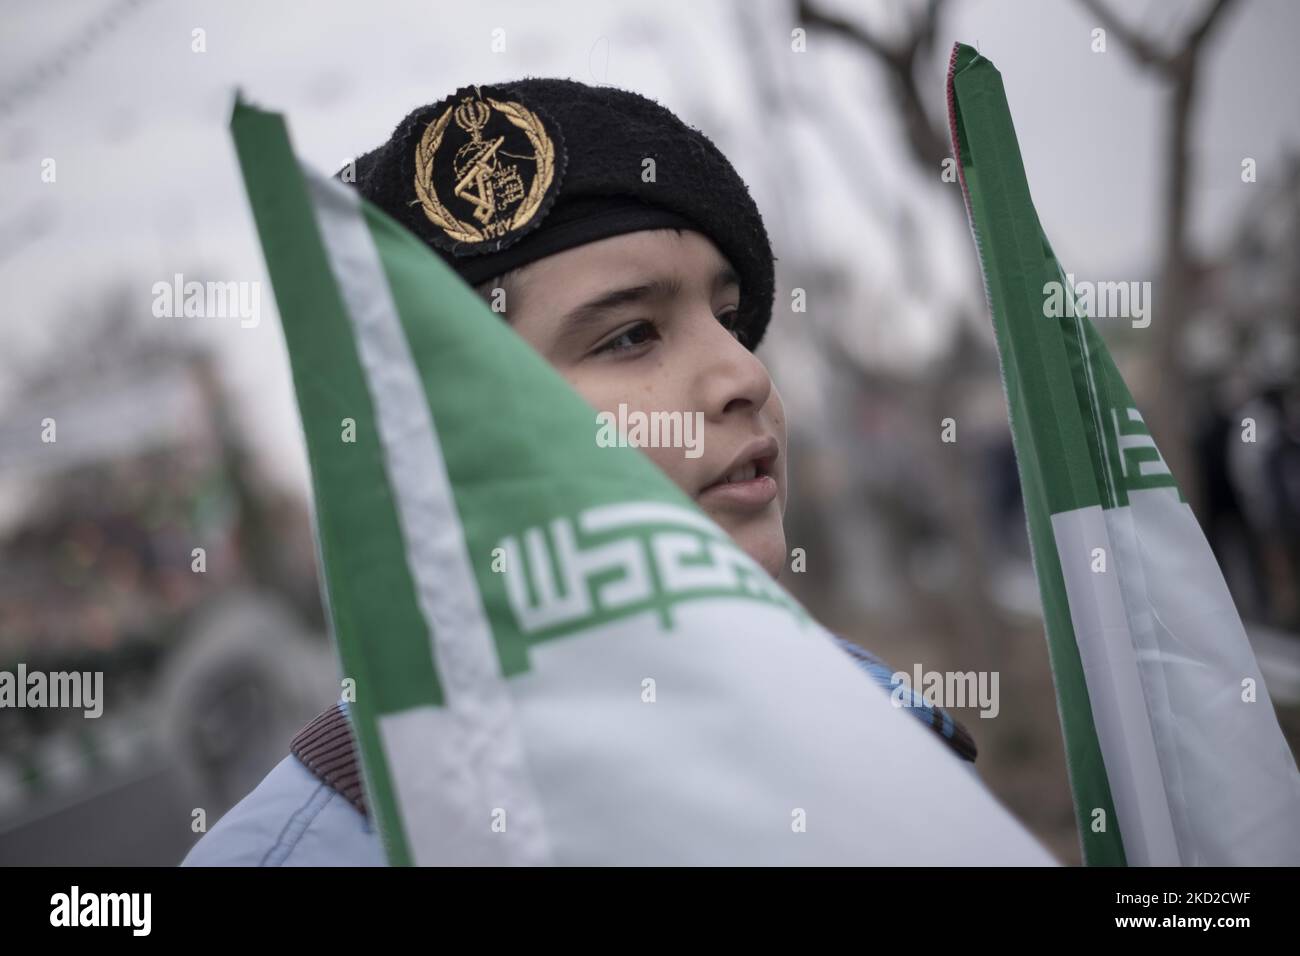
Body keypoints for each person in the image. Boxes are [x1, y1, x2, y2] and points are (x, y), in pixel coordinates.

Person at [183, 78, 977, 866]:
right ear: (441, 439)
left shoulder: (877, 728)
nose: (745, 376)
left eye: (729, 320)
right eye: (631, 336)